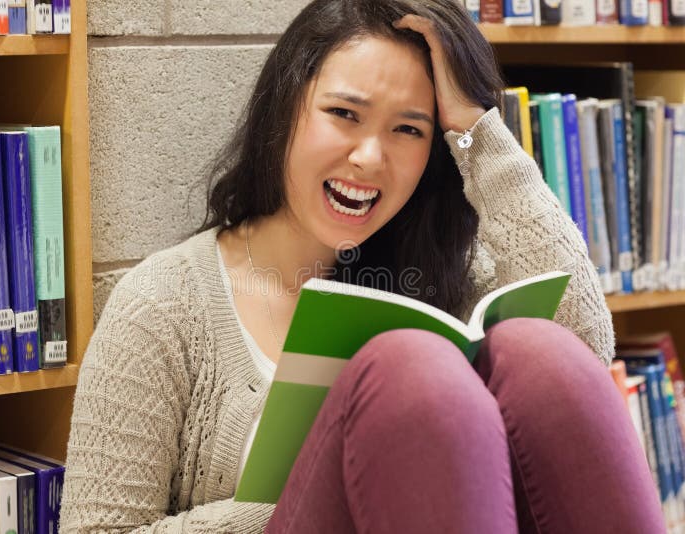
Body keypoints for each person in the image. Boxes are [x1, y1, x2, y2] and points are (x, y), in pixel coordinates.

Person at [59, 0, 665, 532]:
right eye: (344, 114)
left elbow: (584, 362)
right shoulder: (163, 305)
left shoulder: (442, 276)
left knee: (541, 351)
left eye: (409, 129)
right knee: (409, 368)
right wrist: (317, 495)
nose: (370, 157)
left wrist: (480, 131)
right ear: (285, 109)